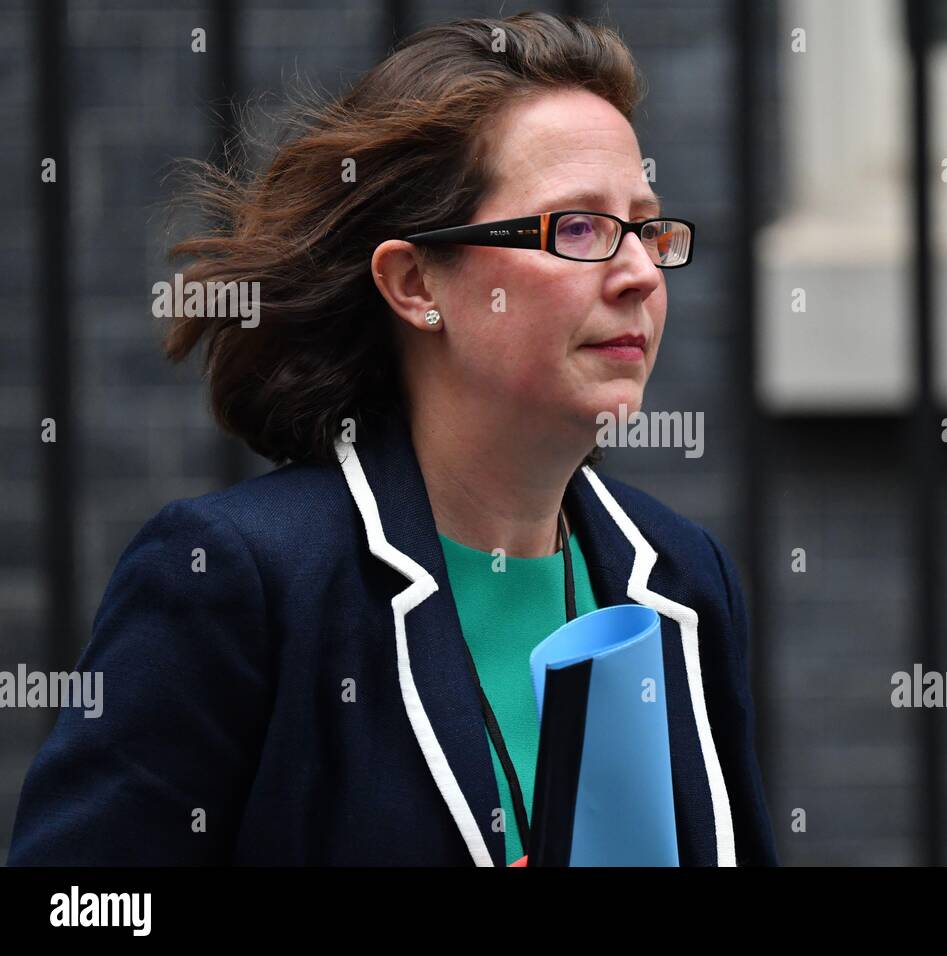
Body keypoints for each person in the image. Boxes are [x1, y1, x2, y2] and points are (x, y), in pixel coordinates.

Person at [8, 11, 777, 866]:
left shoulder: (680, 573)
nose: (639, 274)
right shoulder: (240, 580)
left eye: (647, 228)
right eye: (579, 229)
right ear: (415, 283)